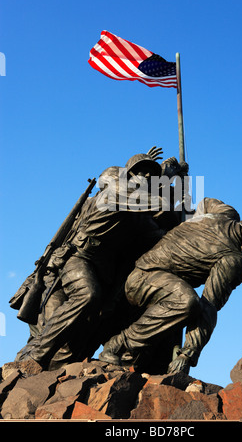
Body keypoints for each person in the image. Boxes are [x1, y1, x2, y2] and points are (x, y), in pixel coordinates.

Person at [14, 148, 187, 369]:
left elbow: (160, 233)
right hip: (79, 259)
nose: (145, 177)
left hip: (104, 270)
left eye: (149, 175)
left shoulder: (135, 214)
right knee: (86, 296)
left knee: (81, 337)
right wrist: (168, 175)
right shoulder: (113, 192)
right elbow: (146, 198)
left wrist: (182, 196)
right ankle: (36, 355)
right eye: (140, 172)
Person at [98, 200, 242, 374]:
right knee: (187, 302)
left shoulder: (225, 213)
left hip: (148, 279)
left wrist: (193, 222)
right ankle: (119, 345)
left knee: (160, 359)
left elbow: (205, 202)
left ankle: (132, 360)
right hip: (145, 282)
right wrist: (188, 354)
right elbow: (208, 306)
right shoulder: (234, 261)